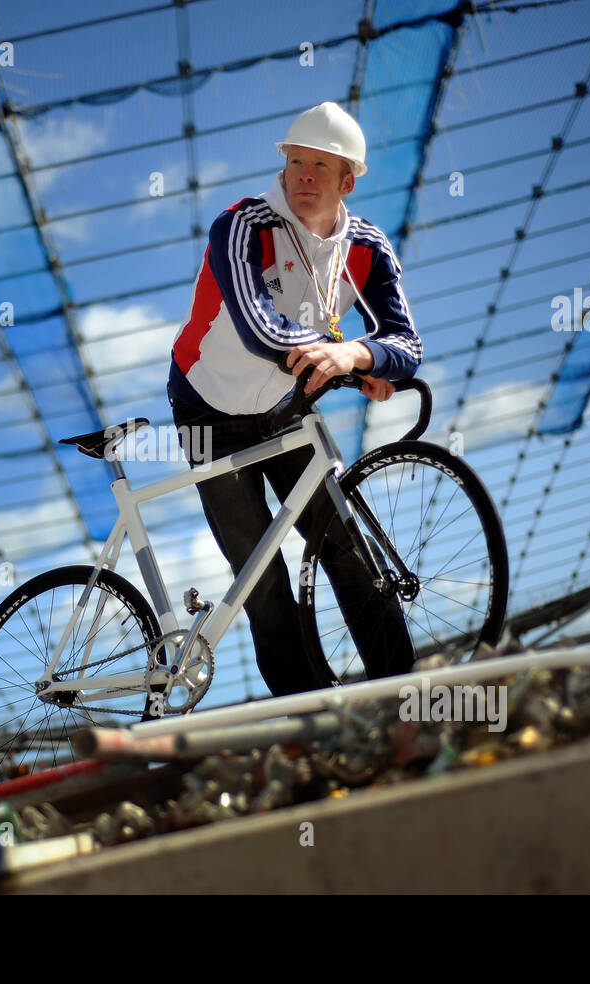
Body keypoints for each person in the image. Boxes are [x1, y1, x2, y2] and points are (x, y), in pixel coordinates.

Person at [167, 101, 423, 697]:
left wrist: (358, 357)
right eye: (296, 162)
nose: (305, 177)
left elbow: (405, 343)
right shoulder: (240, 224)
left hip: (286, 412)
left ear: (347, 180)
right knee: (262, 582)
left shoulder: (367, 246)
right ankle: (312, 729)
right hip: (207, 412)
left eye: (321, 167)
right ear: (283, 165)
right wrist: (338, 355)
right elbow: (262, 329)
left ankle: (404, 700)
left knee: (348, 550)